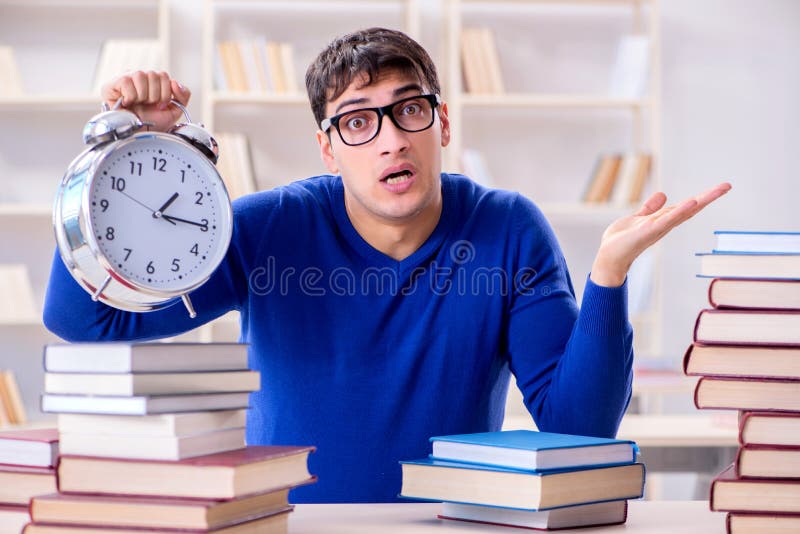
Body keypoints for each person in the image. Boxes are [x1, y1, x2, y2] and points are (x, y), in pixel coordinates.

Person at [43, 27, 730, 503]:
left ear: (444, 125)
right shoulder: (265, 227)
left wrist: (608, 276)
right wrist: (120, 162)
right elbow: (88, 322)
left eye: (409, 110)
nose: (391, 140)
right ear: (327, 149)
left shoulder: (508, 229)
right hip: (291, 526)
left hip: (450, 526)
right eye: (357, 121)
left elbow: (576, 431)